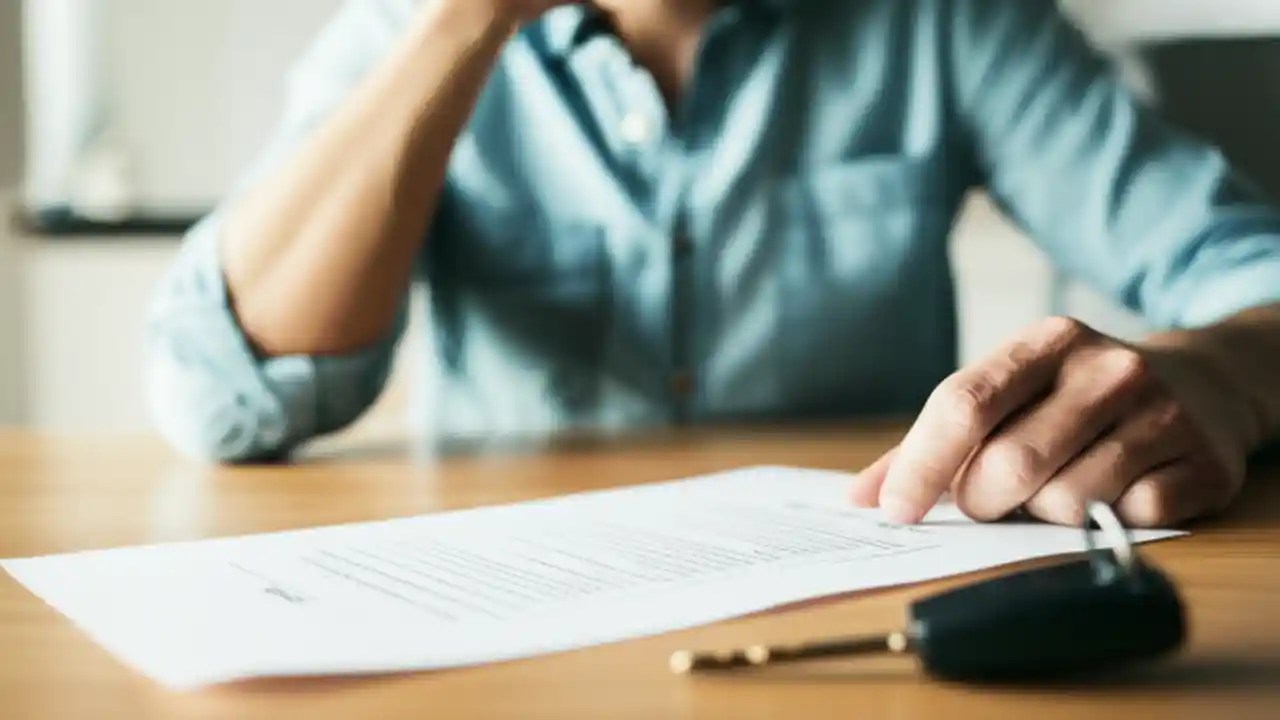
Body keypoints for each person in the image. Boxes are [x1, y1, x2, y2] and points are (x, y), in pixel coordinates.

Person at [148, 0, 1280, 529]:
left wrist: (1219, 377)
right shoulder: (406, 35)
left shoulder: (946, 22)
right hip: (496, 636)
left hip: (852, 604)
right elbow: (221, 397)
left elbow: (1243, 271)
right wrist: (461, 21)